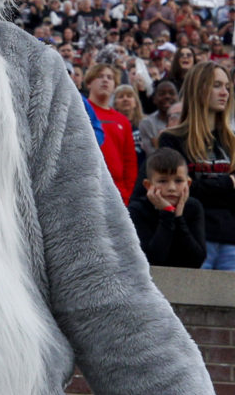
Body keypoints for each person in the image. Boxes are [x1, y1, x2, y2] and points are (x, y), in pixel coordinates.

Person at [158, 61, 235, 272]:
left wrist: (203, 186)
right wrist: (228, 183)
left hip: (234, 242)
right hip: (192, 238)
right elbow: (178, 191)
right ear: (199, 88)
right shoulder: (172, 139)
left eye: (227, 87)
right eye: (217, 85)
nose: (225, 93)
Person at [128, 146, 206, 268]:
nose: (172, 188)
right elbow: (153, 259)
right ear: (148, 185)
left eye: (178, 181)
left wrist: (178, 217)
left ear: (188, 183)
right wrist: (167, 214)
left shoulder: (193, 208)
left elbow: (196, 260)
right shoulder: (137, 210)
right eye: (163, 181)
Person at [82, 62, 137, 201]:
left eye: (110, 77)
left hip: (117, 193)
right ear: (89, 83)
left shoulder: (122, 121)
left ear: (114, 86)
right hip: (87, 189)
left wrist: (127, 192)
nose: (105, 80)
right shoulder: (80, 113)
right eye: (100, 76)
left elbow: (129, 160)